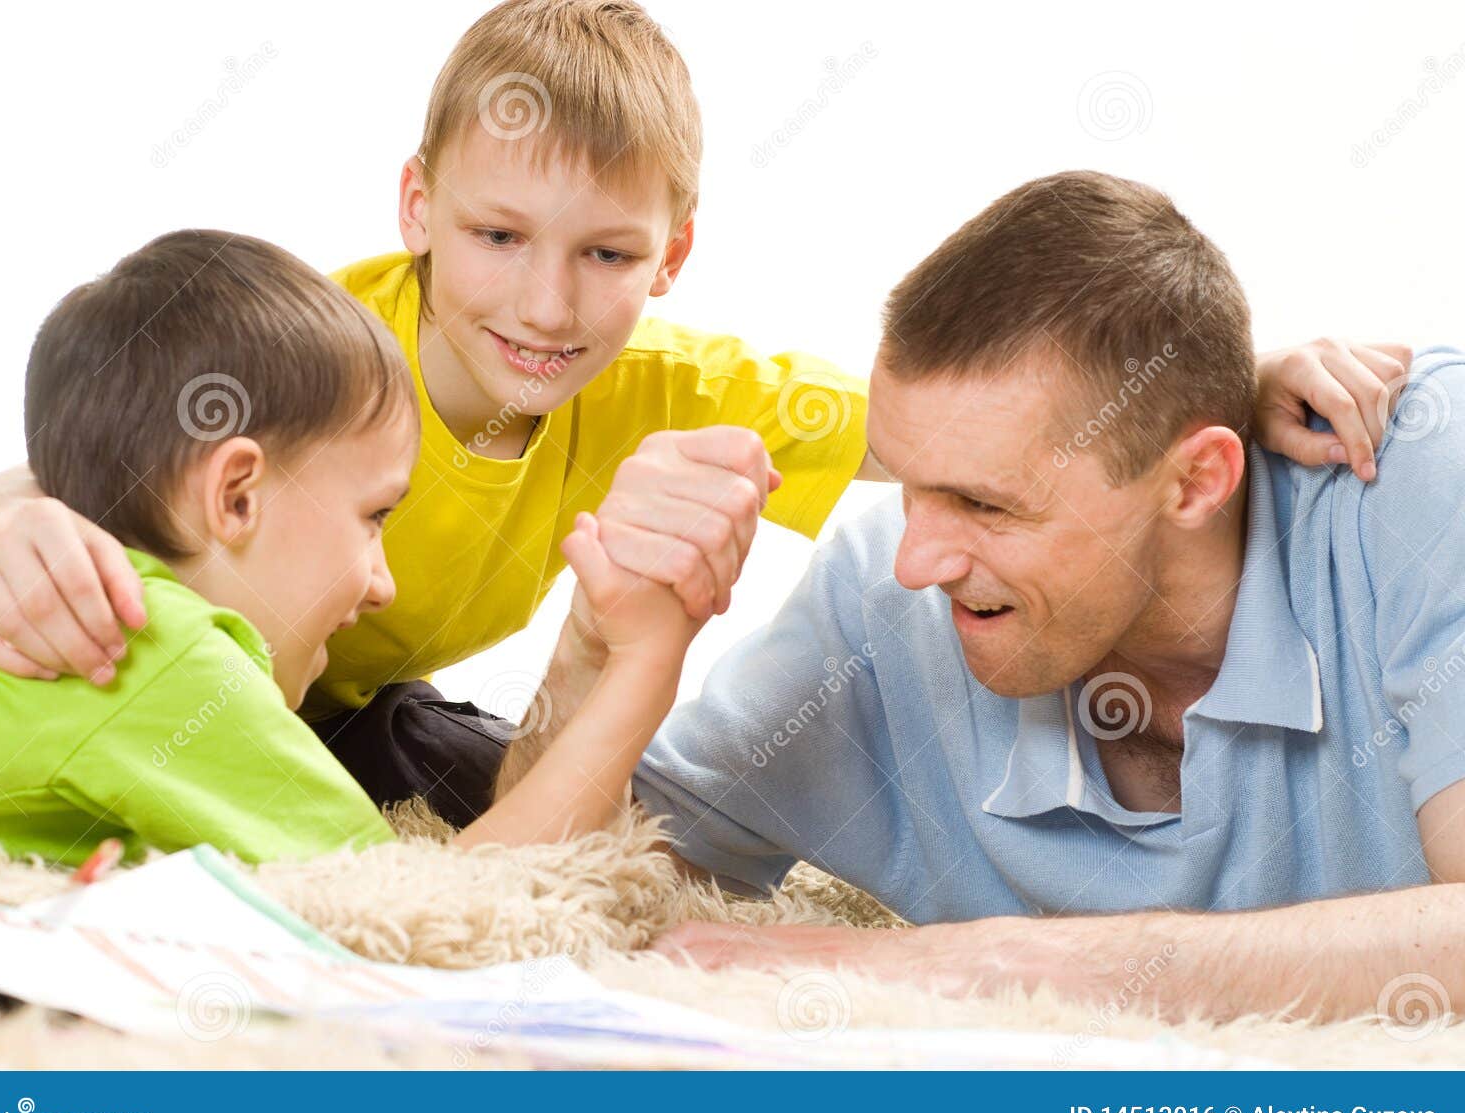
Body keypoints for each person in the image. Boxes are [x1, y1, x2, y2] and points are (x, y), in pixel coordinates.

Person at [0, 0, 1404, 827]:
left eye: (608, 257)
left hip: (348, 713)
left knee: (568, 816)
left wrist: (1223, 376)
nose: (547, 307)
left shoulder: (674, 389)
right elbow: (117, 453)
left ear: (674, 255)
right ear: (418, 209)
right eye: (498, 237)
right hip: (207, 672)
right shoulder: (321, 347)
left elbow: (988, 443)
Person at [506, 172, 1462, 1023]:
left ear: (1197, 481)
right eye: (910, 484)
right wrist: (600, 643)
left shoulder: (1419, 476)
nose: (920, 560)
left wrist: (995, 964)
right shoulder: (882, 591)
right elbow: (544, 893)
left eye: (983, 503)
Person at [0, 230, 698, 866]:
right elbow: (432, 918)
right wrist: (639, 665)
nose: (382, 583)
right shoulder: (158, 652)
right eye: (374, 516)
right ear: (234, 495)